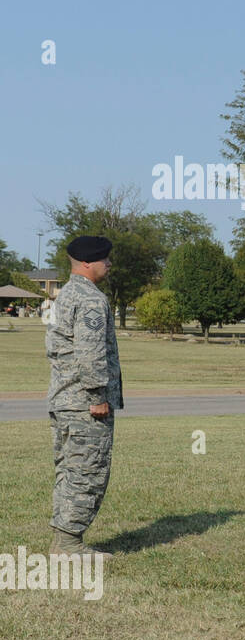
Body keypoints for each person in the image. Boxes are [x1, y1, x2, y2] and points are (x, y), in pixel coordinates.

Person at [46, 235, 122, 556]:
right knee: (87, 469)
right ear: (88, 263)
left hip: (64, 399)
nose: (109, 264)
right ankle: (68, 544)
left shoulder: (65, 295)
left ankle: (64, 539)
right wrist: (96, 395)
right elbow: (90, 352)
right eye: (105, 259)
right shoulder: (90, 299)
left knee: (69, 467)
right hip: (83, 404)